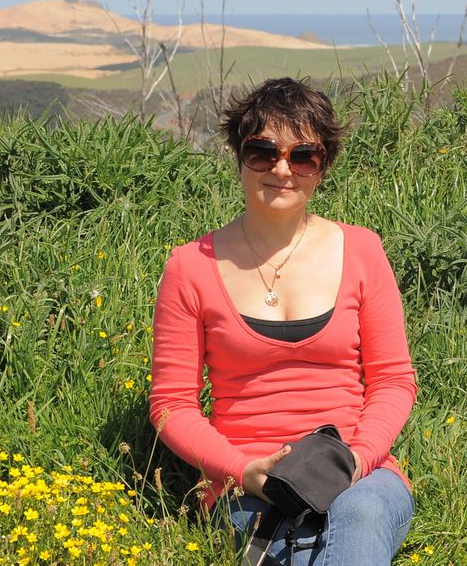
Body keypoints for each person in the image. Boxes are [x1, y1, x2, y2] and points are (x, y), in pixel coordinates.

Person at [149, 77, 417, 565]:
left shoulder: (362, 251)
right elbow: (172, 405)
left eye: (303, 157)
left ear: (322, 167)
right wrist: (242, 470)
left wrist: (359, 458)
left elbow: (393, 380)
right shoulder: (190, 267)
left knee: (358, 517)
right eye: (262, 152)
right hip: (248, 485)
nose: (281, 169)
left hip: (361, 474)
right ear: (238, 155)